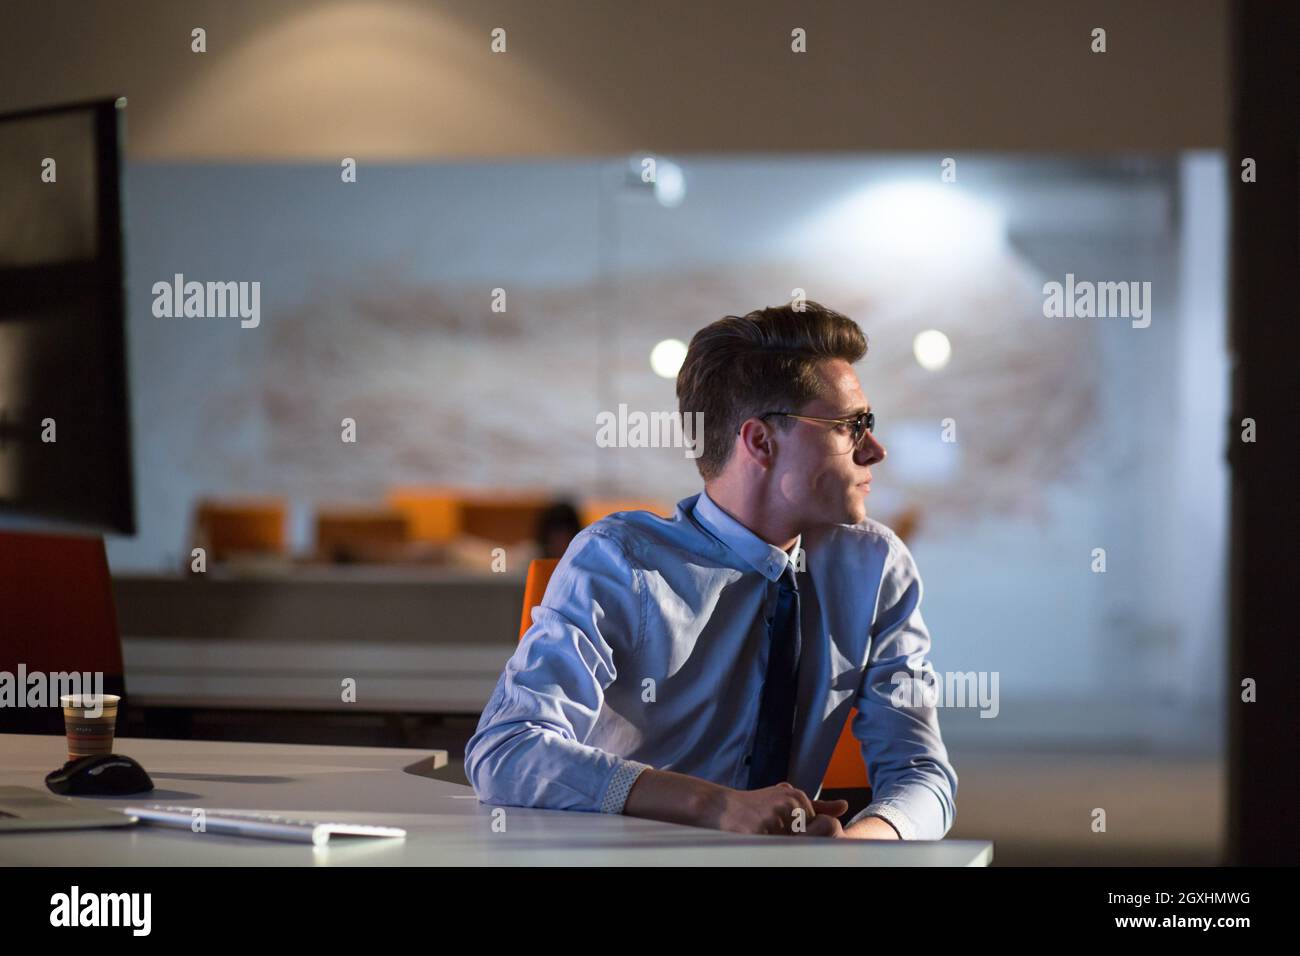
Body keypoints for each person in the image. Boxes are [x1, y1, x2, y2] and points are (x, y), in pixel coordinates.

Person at [465, 301, 957, 839]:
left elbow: (922, 774)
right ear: (761, 442)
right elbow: (507, 749)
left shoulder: (875, 568)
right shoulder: (619, 561)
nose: (876, 450)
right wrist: (714, 806)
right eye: (852, 426)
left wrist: (853, 847)